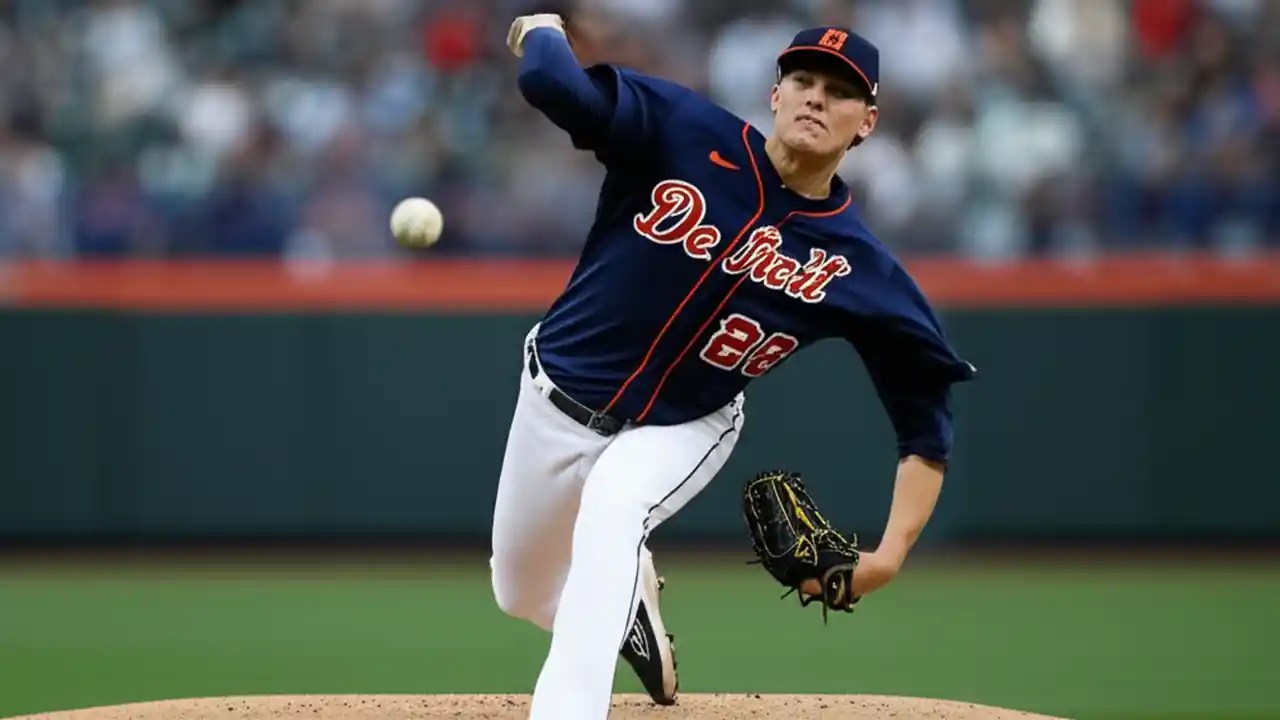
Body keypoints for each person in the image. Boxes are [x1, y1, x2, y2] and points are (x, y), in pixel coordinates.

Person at [490, 13, 976, 719]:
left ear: (866, 122)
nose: (816, 97)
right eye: (802, 80)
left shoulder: (857, 266)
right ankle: (629, 606)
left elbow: (925, 422)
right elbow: (548, 82)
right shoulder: (683, 131)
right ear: (774, 95)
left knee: (612, 510)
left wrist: (891, 554)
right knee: (521, 592)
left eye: (838, 92)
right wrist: (540, 29)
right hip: (556, 392)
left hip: (687, 422)